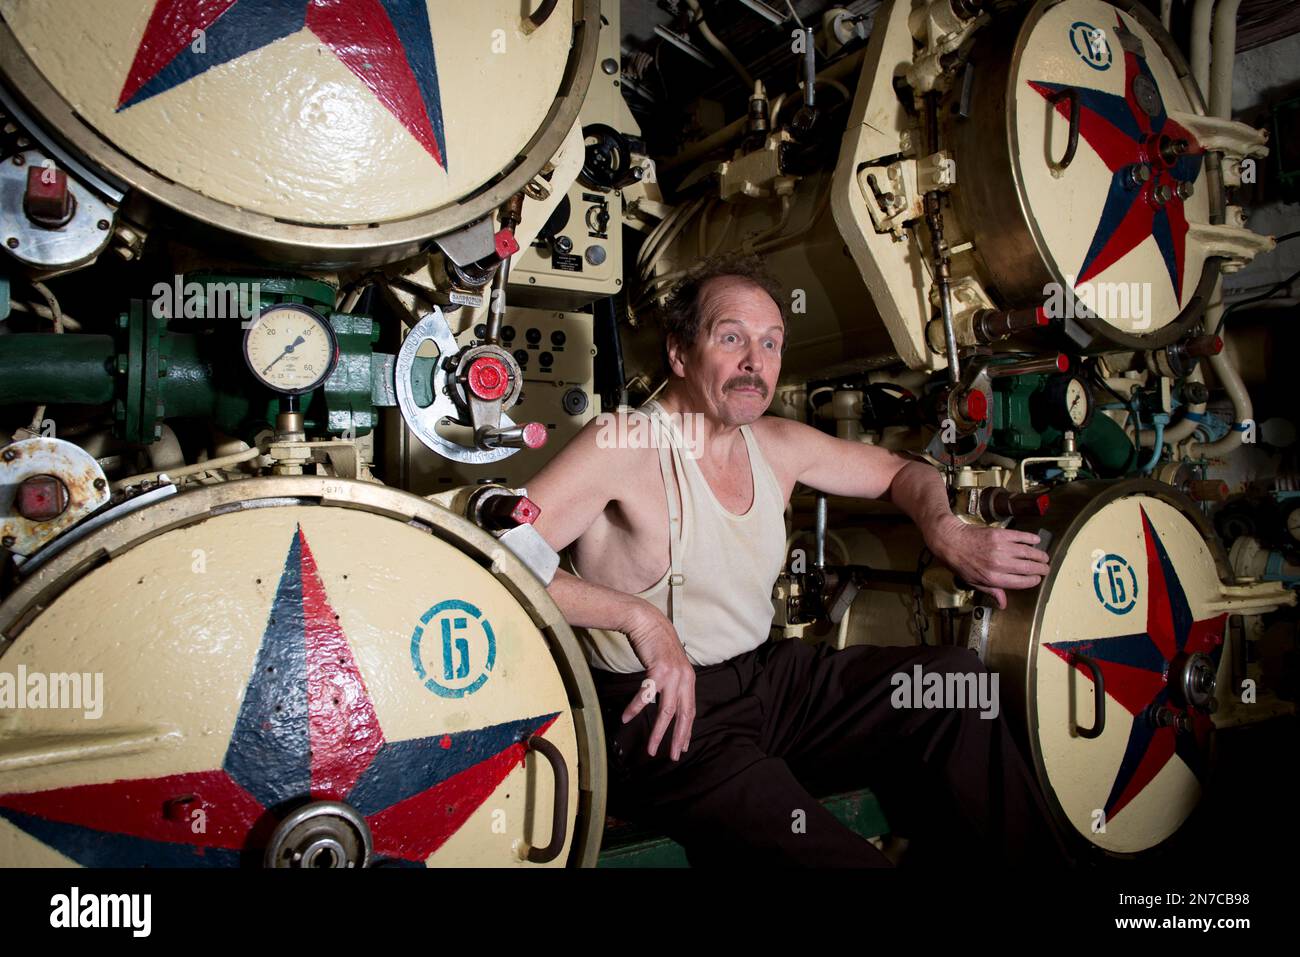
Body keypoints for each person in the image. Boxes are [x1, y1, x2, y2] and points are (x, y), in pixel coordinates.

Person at [525, 253, 1073, 867]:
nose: (754, 364)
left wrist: (947, 531)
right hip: (661, 715)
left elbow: (901, 473)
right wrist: (639, 618)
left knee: (957, 689)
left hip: (766, 682)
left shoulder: (777, 445)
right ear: (679, 353)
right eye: (730, 338)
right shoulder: (623, 442)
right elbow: (502, 561)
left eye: (770, 343)